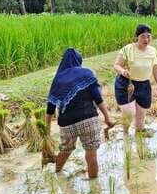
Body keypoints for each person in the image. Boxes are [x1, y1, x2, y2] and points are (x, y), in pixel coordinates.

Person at [46, 48, 114, 176]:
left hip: (67, 124)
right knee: (91, 151)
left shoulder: (58, 80)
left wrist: (47, 129)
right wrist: (107, 117)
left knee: (65, 150)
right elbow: (98, 98)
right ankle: (94, 186)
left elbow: (50, 108)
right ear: (79, 60)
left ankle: (57, 175)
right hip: (88, 119)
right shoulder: (86, 74)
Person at [113, 24, 157, 135]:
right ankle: (125, 135)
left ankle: (140, 134)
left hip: (144, 84)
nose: (146, 39)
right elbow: (116, 65)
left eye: (148, 36)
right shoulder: (128, 49)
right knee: (129, 113)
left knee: (141, 113)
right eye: (143, 36)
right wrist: (123, 71)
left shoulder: (152, 51)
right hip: (127, 84)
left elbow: (156, 70)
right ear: (137, 37)